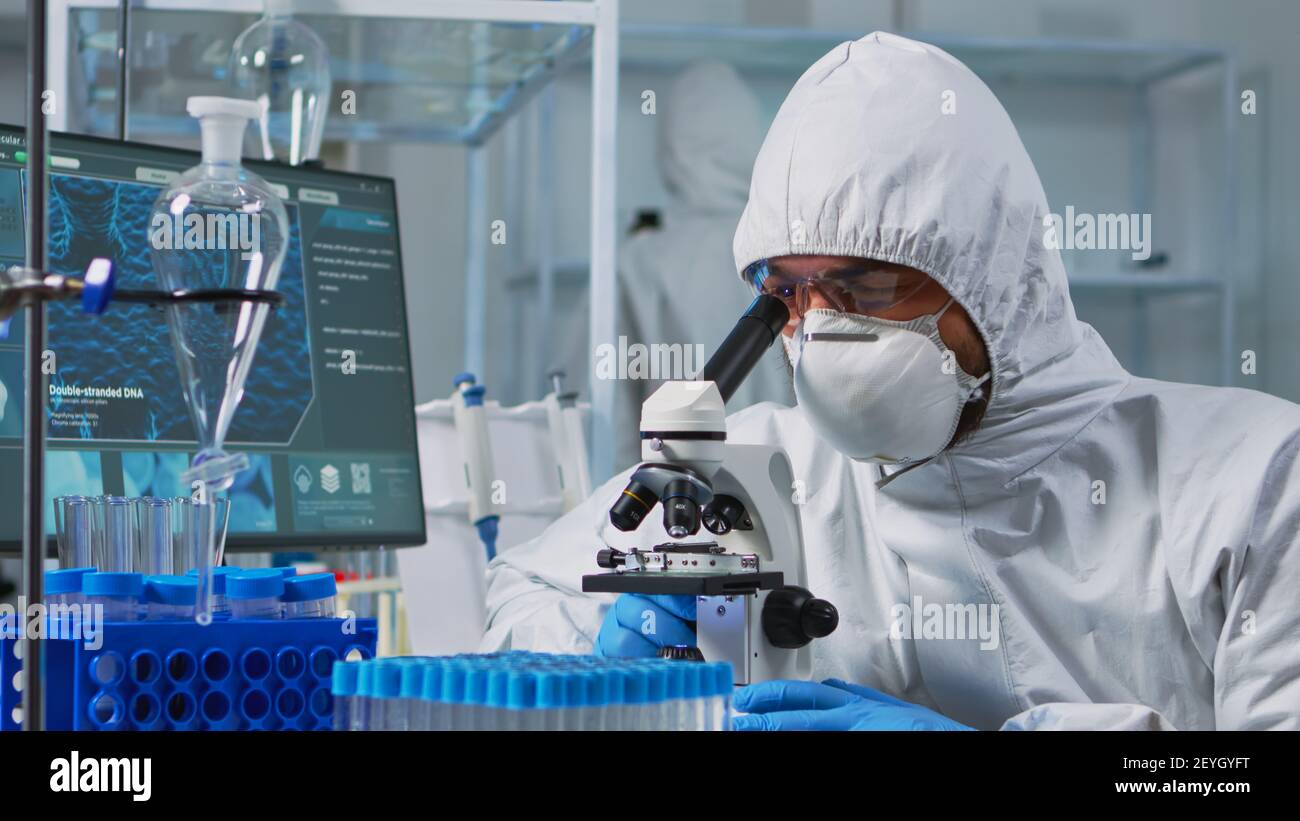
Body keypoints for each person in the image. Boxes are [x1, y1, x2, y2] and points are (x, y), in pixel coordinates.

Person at [481, 32, 1300, 730]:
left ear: (990, 271)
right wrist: (593, 647)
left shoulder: (1251, 482)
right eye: (789, 294)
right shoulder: (764, 469)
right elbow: (513, 596)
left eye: (866, 286)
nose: (825, 328)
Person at [611, 60, 791, 468]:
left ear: (671, 147)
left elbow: (613, 413)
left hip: (676, 487)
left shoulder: (642, 257)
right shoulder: (786, 246)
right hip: (786, 478)